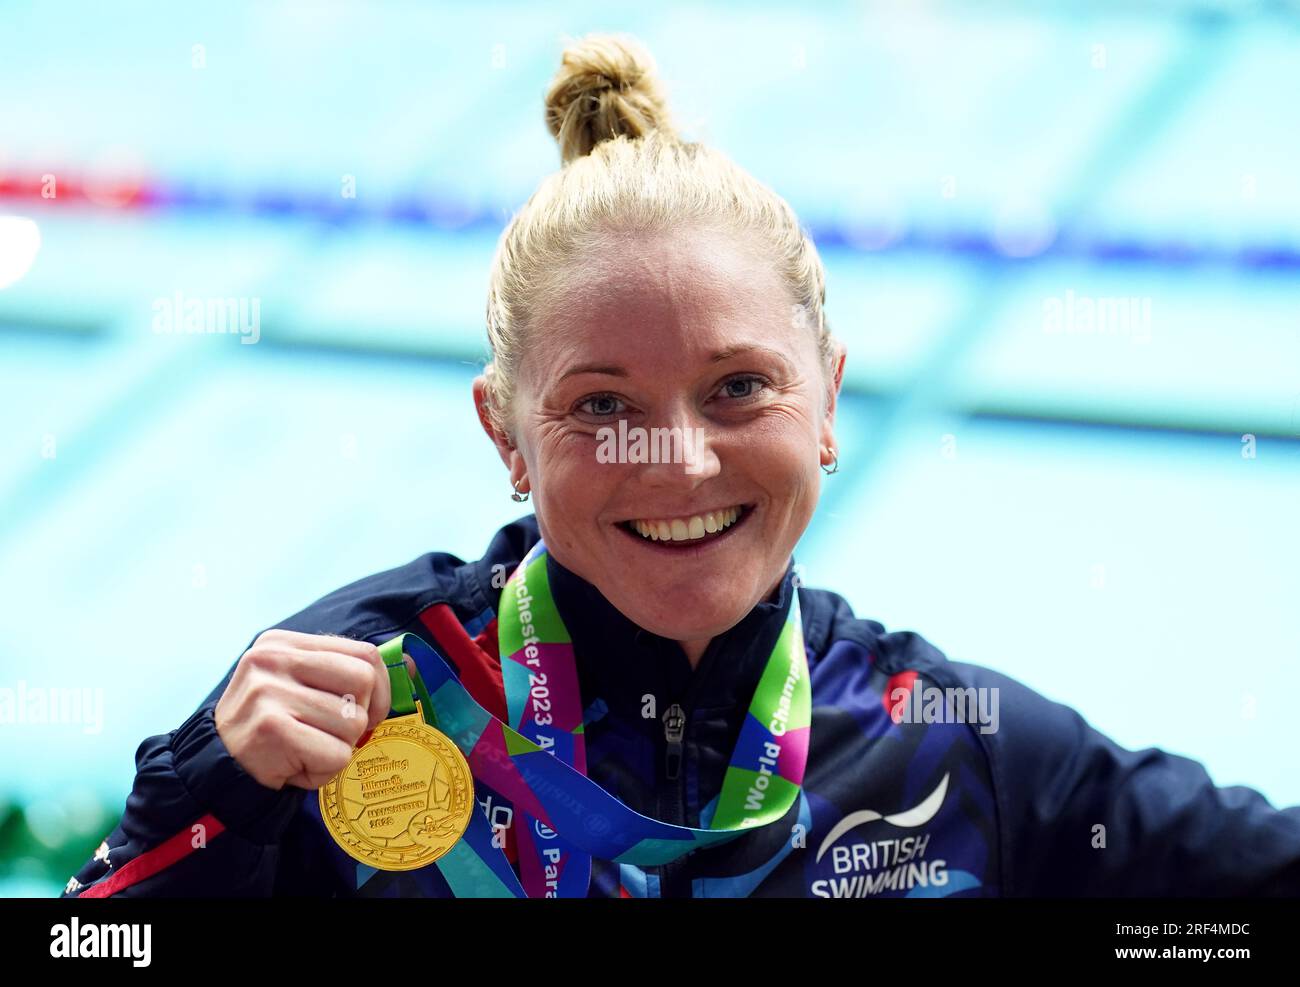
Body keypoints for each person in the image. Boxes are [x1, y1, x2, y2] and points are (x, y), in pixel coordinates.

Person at [62, 33, 1299, 899]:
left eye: (738, 388)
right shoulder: (362, 701)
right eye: (601, 404)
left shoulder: (951, 750)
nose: (680, 456)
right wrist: (202, 814)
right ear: (506, 436)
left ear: (827, 403)